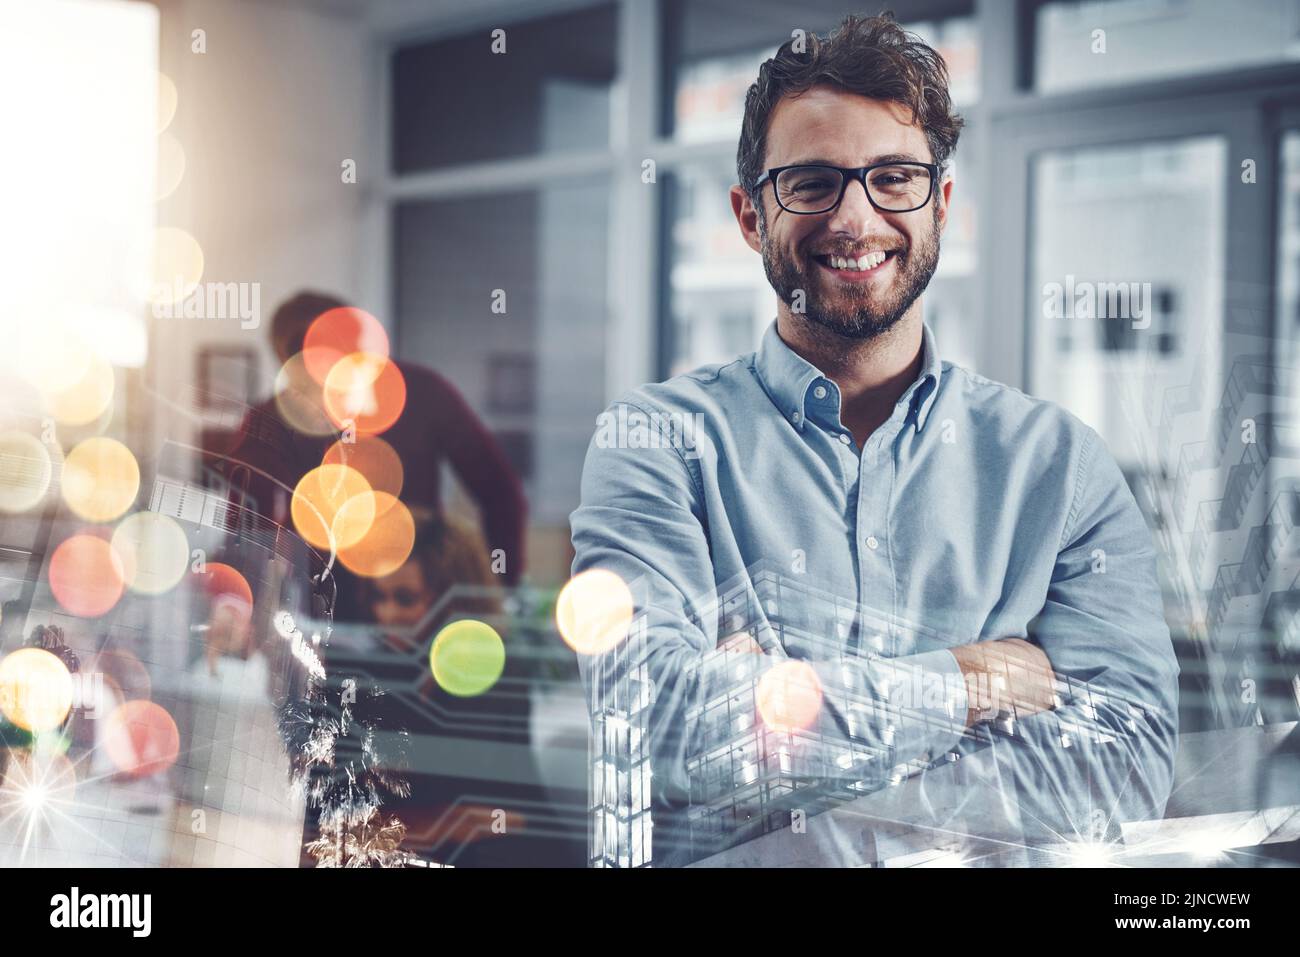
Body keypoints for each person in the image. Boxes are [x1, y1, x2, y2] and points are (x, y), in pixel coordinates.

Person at [570, 14, 1179, 866]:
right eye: (813, 182)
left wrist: (778, 750)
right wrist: (970, 683)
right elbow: (659, 722)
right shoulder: (657, 443)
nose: (856, 218)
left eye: (894, 177)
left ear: (941, 204)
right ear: (751, 216)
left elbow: (1123, 764)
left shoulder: (1061, 468)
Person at [226, 291, 527, 620]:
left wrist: (497, 594)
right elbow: (247, 526)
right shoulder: (275, 418)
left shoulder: (422, 394)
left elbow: (500, 492)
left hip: (412, 608)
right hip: (344, 614)